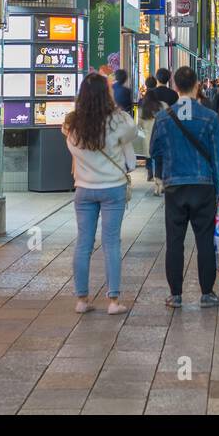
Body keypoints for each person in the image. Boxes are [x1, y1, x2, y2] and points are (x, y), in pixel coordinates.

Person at [147, 65, 219, 309]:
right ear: (197, 86)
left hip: (175, 186)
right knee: (204, 239)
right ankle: (207, 293)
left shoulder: (164, 117)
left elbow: (154, 151)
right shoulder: (209, 117)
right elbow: (217, 155)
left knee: (175, 241)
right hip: (203, 185)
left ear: (174, 87)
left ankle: (175, 294)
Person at [62, 72, 137, 316]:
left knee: (83, 243)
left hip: (84, 190)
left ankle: (81, 299)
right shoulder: (117, 120)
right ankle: (113, 301)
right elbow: (132, 132)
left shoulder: (71, 124)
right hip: (112, 189)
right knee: (111, 243)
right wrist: (115, 108)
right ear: (107, 94)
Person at [137, 76, 166, 188]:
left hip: (147, 135)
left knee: (149, 155)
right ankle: (158, 178)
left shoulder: (143, 106)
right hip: (159, 134)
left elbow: (139, 123)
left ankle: (150, 173)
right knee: (158, 157)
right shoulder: (161, 105)